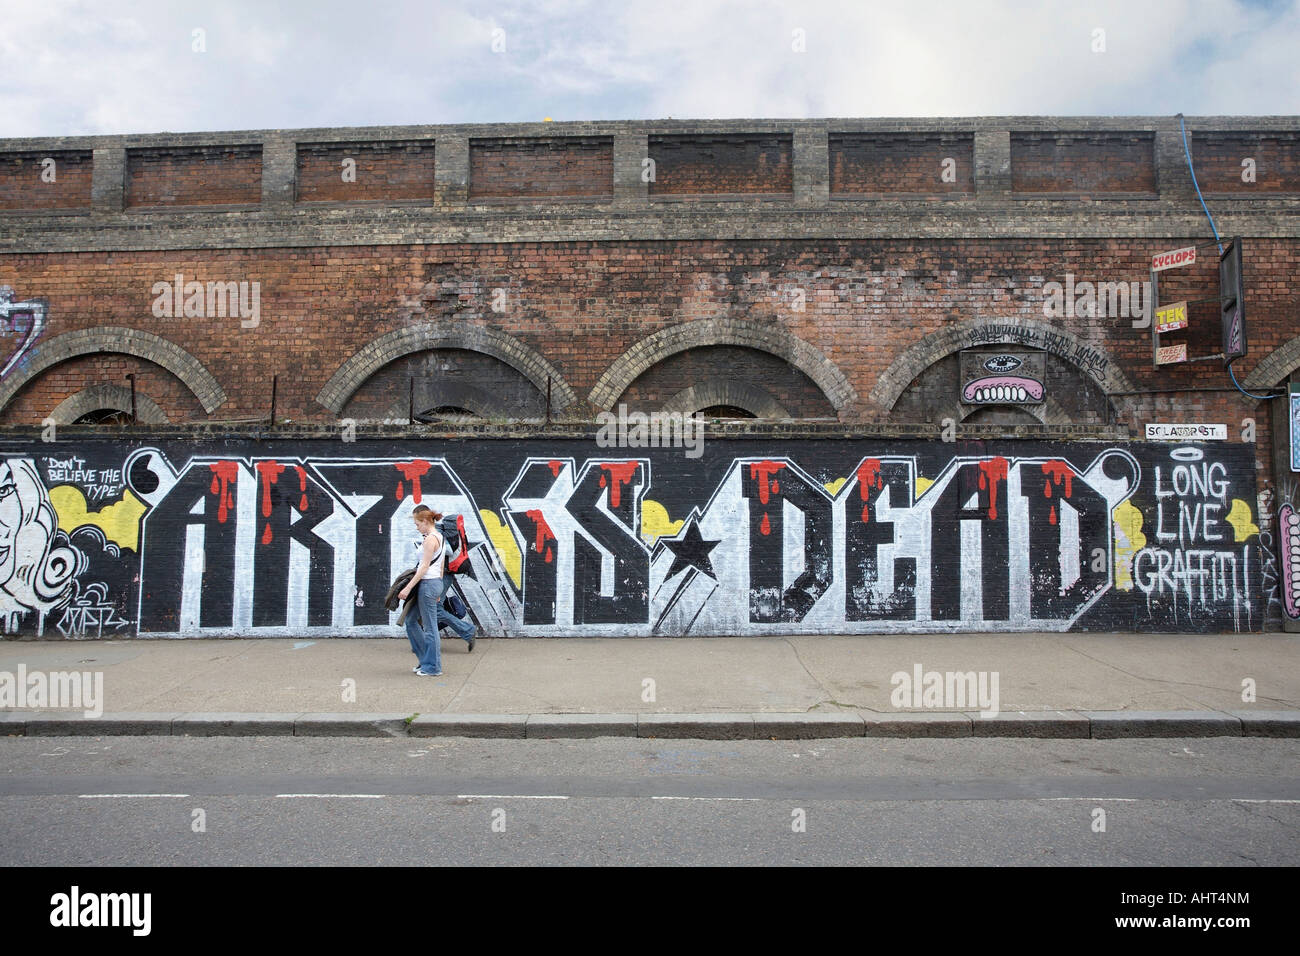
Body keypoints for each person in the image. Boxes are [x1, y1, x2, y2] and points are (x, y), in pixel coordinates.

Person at [398, 504, 477, 676]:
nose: (416, 527)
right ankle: (425, 661)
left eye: (417, 524)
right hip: (433, 584)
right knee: (411, 621)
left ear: (425, 521)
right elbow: (440, 565)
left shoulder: (430, 540)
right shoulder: (439, 537)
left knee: (430, 627)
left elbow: (424, 567)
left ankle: (432, 667)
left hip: (427, 585)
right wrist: (439, 587)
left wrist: (408, 587)